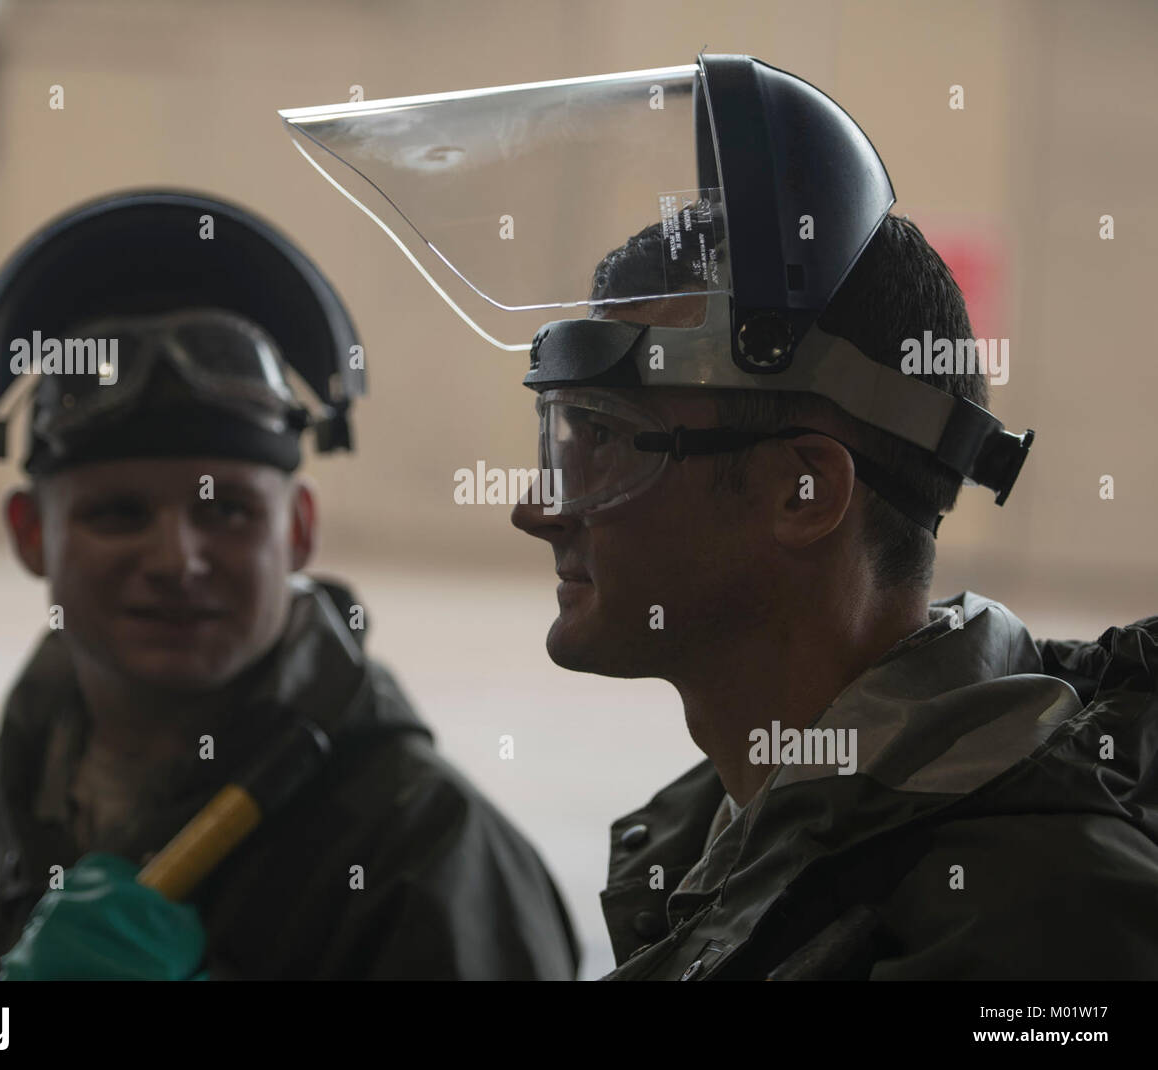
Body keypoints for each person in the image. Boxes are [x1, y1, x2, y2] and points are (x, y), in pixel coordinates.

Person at [282, 56, 1158, 980]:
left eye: (607, 440)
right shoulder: (749, 830)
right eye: (561, 437)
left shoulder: (1049, 930)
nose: (537, 511)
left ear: (804, 492)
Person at [0, 189, 578, 981]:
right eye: (119, 513)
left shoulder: (430, 853)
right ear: (31, 534)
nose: (176, 559)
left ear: (299, 529)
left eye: (229, 511)